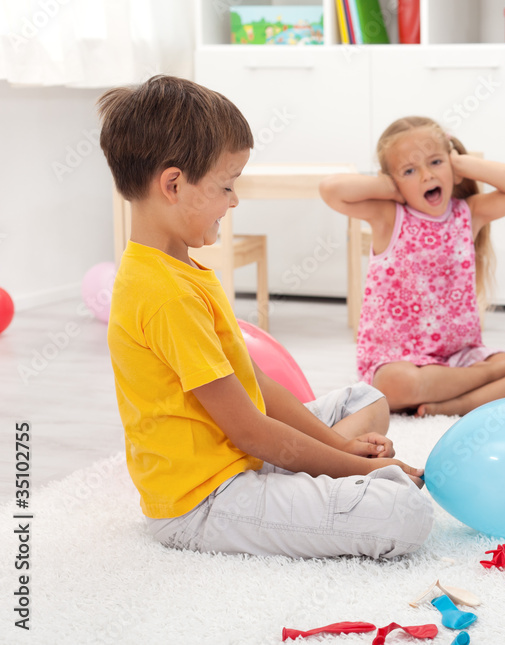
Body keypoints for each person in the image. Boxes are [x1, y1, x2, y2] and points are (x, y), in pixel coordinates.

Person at [98, 75, 433, 559]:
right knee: (404, 512)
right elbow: (249, 428)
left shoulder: (182, 268)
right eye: (227, 186)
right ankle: (312, 477)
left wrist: (337, 455)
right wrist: (359, 470)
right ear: (173, 184)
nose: (234, 201)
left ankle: (306, 469)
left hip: (245, 458)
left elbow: (255, 385)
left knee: (367, 397)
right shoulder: (163, 294)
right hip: (207, 500)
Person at [320, 116, 505, 417]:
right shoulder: (388, 216)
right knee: (397, 385)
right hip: (398, 360)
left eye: (435, 162)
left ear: (453, 168)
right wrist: (392, 187)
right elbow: (330, 189)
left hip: (461, 357)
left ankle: (457, 404)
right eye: (410, 170)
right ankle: (491, 377)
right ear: (393, 181)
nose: (427, 176)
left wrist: (461, 165)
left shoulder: (469, 213)